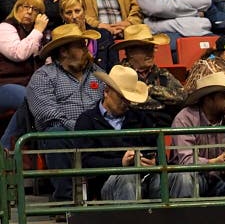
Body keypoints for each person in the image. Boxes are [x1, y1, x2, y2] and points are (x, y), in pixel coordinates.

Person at [73, 65, 193, 201]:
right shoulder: (87, 121)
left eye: (128, 99)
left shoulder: (142, 118)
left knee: (182, 176)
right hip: (108, 183)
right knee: (127, 177)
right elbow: (85, 161)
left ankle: (180, 220)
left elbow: (159, 153)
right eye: (121, 98)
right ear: (106, 92)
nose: (126, 103)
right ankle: (133, 221)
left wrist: (155, 162)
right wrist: (121, 163)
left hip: (147, 178)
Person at [26, 23, 105, 201]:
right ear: (63, 51)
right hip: (66, 132)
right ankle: (66, 200)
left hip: (97, 131)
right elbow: (48, 114)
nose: (87, 49)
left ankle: (107, 195)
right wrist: (82, 128)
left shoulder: (98, 73)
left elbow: (109, 105)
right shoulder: (44, 76)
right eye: (80, 45)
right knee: (55, 134)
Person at [171, 71, 225, 197]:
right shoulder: (185, 119)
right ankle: (186, 216)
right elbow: (186, 160)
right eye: (224, 96)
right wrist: (213, 163)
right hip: (197, 176)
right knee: (185, 177)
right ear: (208, 99)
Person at [0, 0, 47, 149]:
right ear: (17, 7)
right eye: (25, 6)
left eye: (35, 10)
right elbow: (18, 53)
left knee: (38, 101)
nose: (29, 12)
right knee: (31, 99)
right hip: (5, 86)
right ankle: (5, 148)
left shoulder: (39, 36)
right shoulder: (5, 27)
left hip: (30, 87)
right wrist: (38, 31)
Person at [115, 24, 187, 127]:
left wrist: (150, 90)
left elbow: (182, 98)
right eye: (145, 49)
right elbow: (129, 104)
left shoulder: (162, 74)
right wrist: (164, 102)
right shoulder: (120, 73)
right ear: (130, 52)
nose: (150, 53)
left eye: (152, 48)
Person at [58, 0, 116, 72]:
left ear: (84, 11)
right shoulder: (58, 42)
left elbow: (114, 68)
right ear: (62, 16)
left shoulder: (104, 36)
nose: (74, 16)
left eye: (77, 11)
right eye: (68, 13)